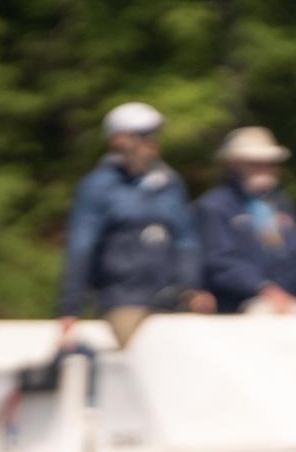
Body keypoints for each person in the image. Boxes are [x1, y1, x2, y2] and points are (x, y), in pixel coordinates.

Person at [56, 101, 214, 349]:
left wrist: (191, 288)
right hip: (124, 300)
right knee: (143, 357)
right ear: (117, 140)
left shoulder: (170, 184)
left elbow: (187, 242)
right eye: (143, 135)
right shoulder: (97, 186)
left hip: (173, 299)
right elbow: (81, 246)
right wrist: (70, 307)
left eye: (154, 134)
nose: (152, 141)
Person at [195, 127, 296, 316]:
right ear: (233, 165)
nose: (264, 168)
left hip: (288, 302)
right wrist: (263, 288)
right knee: (263, 312)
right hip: (235, 307)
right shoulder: (214, 205)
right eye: (254, 163)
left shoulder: (280, 203)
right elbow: (221, 261)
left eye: (269, 163)